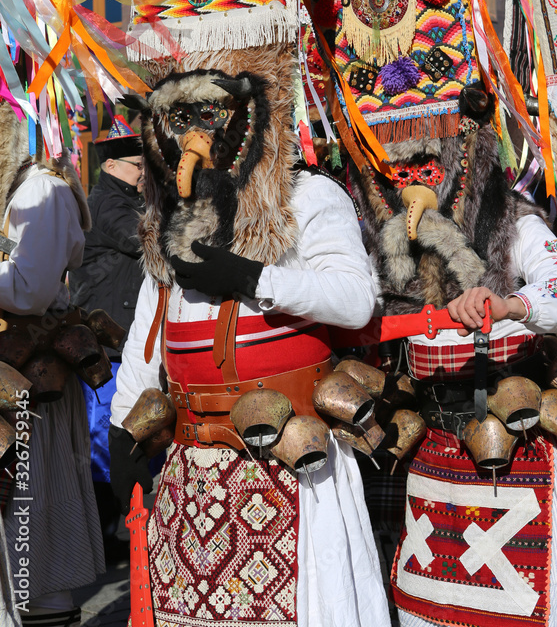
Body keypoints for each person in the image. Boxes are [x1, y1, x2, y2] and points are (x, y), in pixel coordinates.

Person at [109, 59, 391, 627]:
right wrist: (123, 432)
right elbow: (148, 334)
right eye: (179, 119)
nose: (194, 136)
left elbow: (356, 298)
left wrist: (251, 278)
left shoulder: (307, 196)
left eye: (209, 114)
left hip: (293, 462)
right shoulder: (171, 216)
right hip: (192, 478)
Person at [350, 88, 557, 627]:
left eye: (428, 170)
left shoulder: (513, 222)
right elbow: (350, 306)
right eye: (400, 174)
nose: (414, 186)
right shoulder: (379, 245)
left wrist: (512, 305)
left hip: (520, 440)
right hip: (432, 454)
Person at [0, 102, 104, 627]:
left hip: (29, 383)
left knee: (32, 524)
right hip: (18, 378)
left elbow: (31, 290)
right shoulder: (27, 189)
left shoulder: (42, 190)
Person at [68, 114, 144, 556]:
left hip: (120, 338)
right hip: (107, 344)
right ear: (112, 166)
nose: (143, 175)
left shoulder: (123, 198)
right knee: (104, 436)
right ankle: (103, 534)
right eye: (138, 167)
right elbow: (139, 238)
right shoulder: (108, 204)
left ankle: (113, 528)